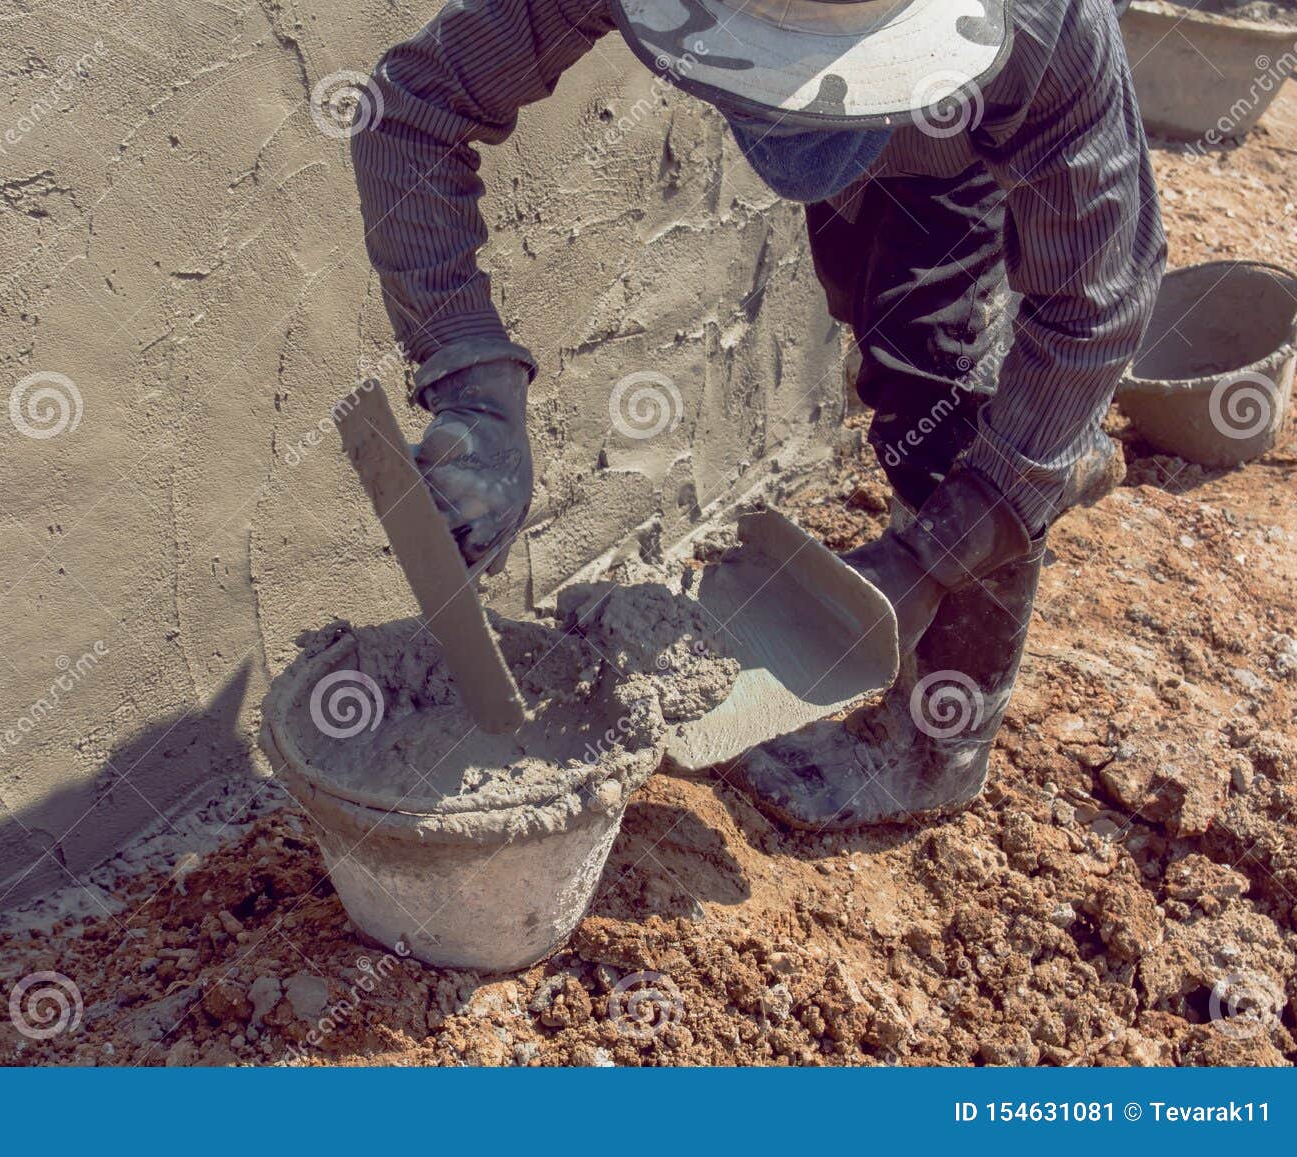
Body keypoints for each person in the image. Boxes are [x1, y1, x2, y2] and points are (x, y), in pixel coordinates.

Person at [350, 0, 1166, 828]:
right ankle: (1050, 460)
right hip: (897, 136)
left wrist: (953, 536)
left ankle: (936, 748)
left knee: (937, 382)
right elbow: (408, 110)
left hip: (967, 127)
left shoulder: (1042, 27)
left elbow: (1093, 305)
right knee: (882, 316)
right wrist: (472, 378)